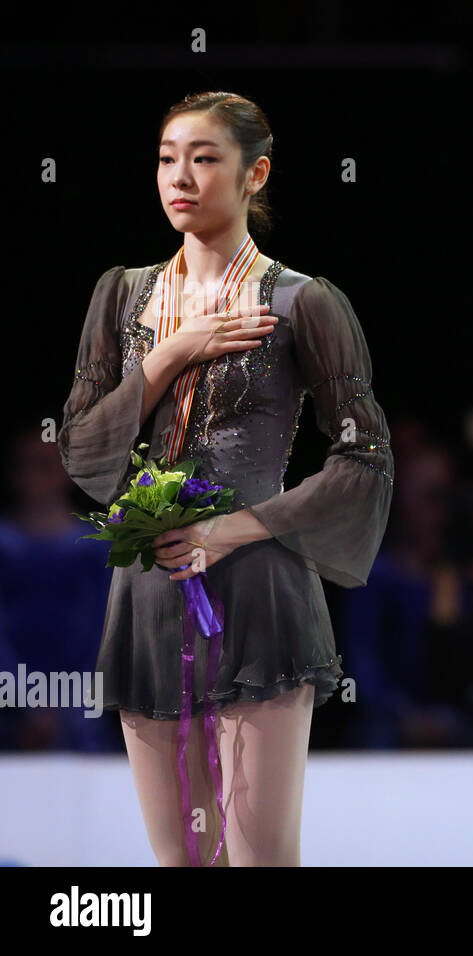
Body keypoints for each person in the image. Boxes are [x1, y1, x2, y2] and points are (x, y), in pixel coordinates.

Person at [56, 92, 394, 865]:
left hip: (258, 584)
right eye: (169, 157)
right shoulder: (121, 294)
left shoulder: (302, 301)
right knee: (179, 862)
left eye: (205, 158)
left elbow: (365, 458)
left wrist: (228, 531)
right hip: (147, 588)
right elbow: (83, 452)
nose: (181, 175)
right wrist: (176, 349)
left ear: (255, 174)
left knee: (257, 858)